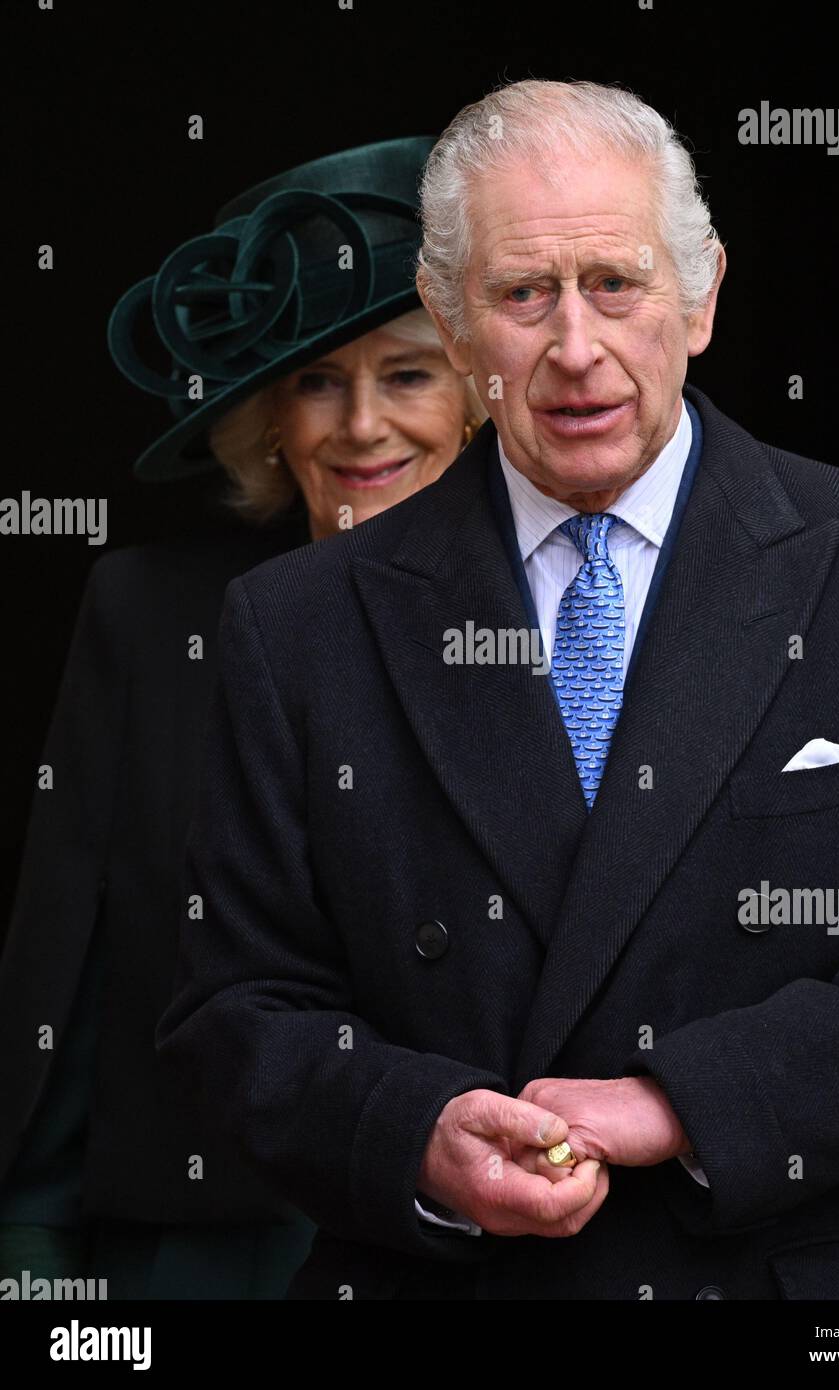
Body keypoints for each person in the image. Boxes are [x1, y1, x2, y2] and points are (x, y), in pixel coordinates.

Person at [156, 80, 839, 1300]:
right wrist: (418, 1133)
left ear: (701, 295)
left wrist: (680, 1102)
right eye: (521, 294)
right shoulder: (298, 624)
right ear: (450, 321)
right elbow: (233, 1011)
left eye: (614, 282)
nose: (575, 347)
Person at [0, 137, 483, 1299]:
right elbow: (72, 969)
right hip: (197, 1255)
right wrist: (33, 1265)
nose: (360, 424)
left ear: (478, 400)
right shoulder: (149, 611)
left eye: (407, 375)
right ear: (269, 418)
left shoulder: (570, 621)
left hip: (471, 1250)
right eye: (317, 382)